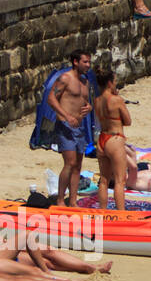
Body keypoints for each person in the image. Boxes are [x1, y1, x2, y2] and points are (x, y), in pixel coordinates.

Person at [49, 50, 93, 206]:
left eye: (89, 62)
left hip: (80, 127)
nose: (88, 65)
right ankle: (61, 200)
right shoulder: (65, 78)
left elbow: (85, 102)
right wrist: (66, 116)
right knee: (70, 163)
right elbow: (51, 98)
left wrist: (89, 108)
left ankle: (73, 201)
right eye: (85, 62)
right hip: (65, 126)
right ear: (75, 62)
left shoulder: (85, 82)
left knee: (78, 165)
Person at [91, 67, 130, 210]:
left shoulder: (97, 100)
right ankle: (121, 215)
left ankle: (102, 210)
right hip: (115, 138)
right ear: (109, 83)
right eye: (114, 82)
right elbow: (128, 121)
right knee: (120, 180)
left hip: (102, 138)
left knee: (104, 180)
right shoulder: (116, 100)